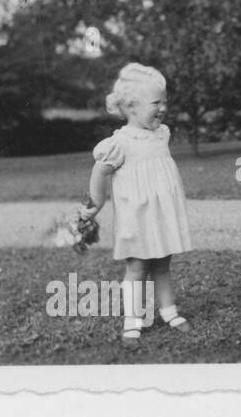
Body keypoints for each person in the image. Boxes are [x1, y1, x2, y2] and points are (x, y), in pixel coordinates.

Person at [81, 63, 193, 350]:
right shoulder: (119, 143)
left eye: (165, 101)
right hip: (136, 217)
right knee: (137, 267)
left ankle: (169, 311)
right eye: (156, 103)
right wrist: (96, 203)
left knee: (163, 263)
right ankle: (133, 320)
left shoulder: (162, 134)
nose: (163, 108)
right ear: (131, 106)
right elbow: (99, 172)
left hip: (161, 214)